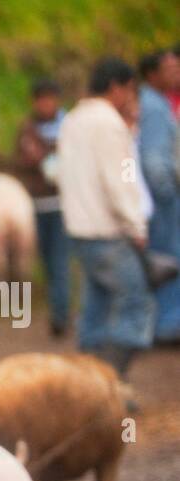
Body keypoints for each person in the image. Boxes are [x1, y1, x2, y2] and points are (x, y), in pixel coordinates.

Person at [57, 57, 154, 376]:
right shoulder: (108, 123)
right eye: (129, 89)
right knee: (135, 304)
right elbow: (120, 180)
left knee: (95, 309)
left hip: (79, 229)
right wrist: (136, 224)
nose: (129, 97)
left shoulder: (71, 120)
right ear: (116, 87)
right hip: (109, 232)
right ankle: (112, 383)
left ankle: (89, 382)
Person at [15, 78, 71, 336]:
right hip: (35, 204)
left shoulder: (68, 127)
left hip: (61, 205)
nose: (47, 104)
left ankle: (61, 315)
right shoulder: (26, 129)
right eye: (42, 99)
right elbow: (20, 160)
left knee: (60, 261)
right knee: (47, 261)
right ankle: (56, 310)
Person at [138, 50, 180, 343]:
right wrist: (166, 193)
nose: (175, 72)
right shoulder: (153, 106)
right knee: (168, 260)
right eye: (169, 67)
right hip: (162, 198)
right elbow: (153, 160)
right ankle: (166, 326)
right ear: (152, 74)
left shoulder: (156, 103)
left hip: (156, 197)